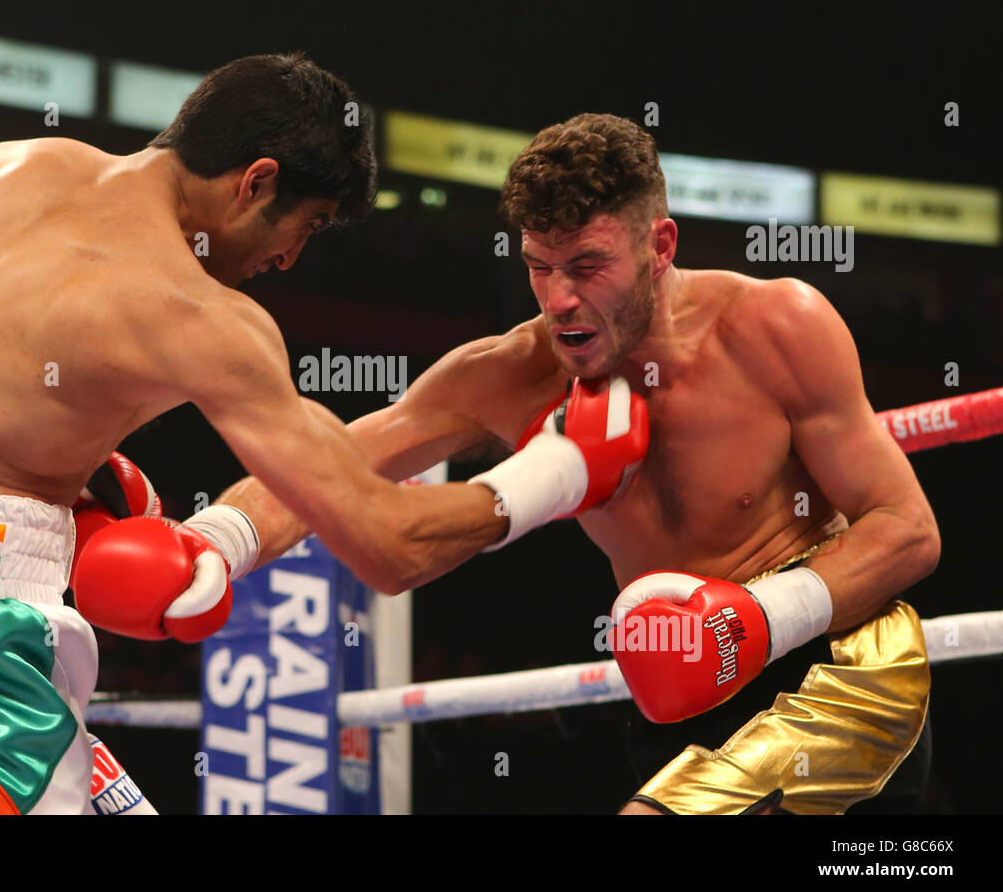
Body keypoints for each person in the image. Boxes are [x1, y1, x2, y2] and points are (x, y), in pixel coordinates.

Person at [0, 55, 642, 815]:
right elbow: (386, 546)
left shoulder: (3, 168)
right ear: (256, 181)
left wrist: (51, 467)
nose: (290, 263)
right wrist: (562, 470)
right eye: (304, 228)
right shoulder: (199, 316)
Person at [196, 113, 940, 814]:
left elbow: (907, 529)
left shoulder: (775, 325)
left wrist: (757, 618)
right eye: (539, 267)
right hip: (674, 694)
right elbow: (322, 470)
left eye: (588, 265)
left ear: (661, 245)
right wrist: (210, 545)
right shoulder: (511, 374)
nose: (560, 299)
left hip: (834, 667)